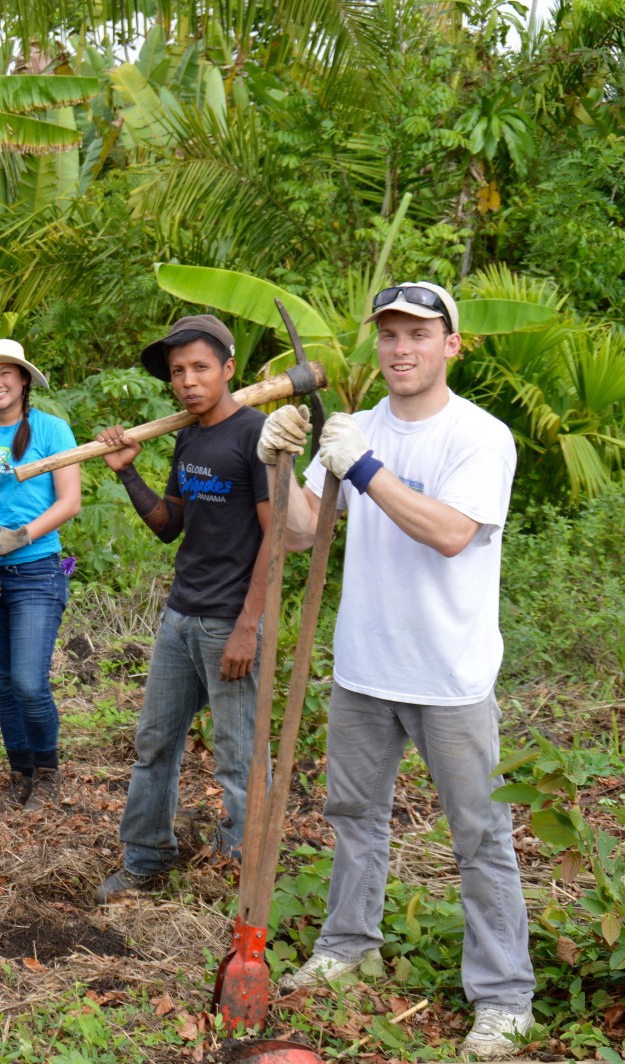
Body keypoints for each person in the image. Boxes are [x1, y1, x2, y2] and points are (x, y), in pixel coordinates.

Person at [260, 282, 534, 1059]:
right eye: (388, 335)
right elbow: (302, 536)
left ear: (451, 344)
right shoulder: (356, 430)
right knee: (354, 818)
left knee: (479, 837)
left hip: (450, 676)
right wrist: (277, 464)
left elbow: (449, 533)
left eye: (418, 334)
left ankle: (506, 997)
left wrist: (367, 467)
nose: (400, 348)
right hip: (364, 668)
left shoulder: (481, 437)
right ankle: (349, 945)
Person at [91, 315, 272, 903]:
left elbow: (276, 542)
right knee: (155, 744)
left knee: (238, 758)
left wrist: (248, 627)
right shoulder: (189, 437)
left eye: (200, 368)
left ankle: (248, 874)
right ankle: (146, 856)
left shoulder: (258, 436)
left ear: (228, 368)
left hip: (229, 623)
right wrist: (128, 475)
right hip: (180, 616)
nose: (188, 381)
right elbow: (170, 526)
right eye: (177, 372)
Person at [0, 339, 81, 810]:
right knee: (0, 682)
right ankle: (19, 772)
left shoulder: (51, 430)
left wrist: (19, 536)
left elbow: (69, 501)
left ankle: (47, 772)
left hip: (37, 572)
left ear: (24, 380)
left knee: (28, 681)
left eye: (5, 373)